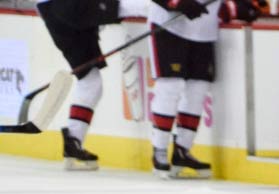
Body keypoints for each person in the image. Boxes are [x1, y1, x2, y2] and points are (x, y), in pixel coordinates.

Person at [145, 0, 260, 179]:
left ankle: (182, 151)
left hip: (204, 31)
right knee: (170, 87)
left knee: (198, 89)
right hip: (169, 26)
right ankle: (159, 150)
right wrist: (176, 3)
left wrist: (240, 7)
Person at [36, 0, 145, 170]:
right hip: (68, 8)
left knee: (90, 82)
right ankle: (73, 141)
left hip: (57, 12)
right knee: (90, 82)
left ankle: (73, 142)